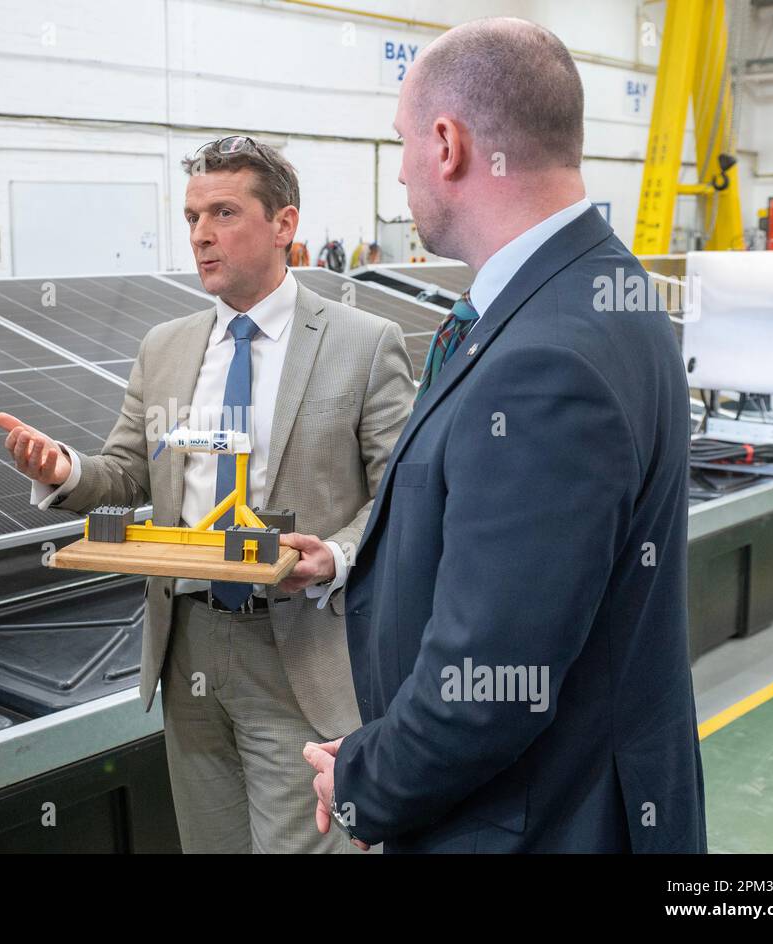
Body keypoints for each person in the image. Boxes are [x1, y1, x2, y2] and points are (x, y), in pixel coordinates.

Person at [304, 18, 707, 853]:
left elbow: (487, 687)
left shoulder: (544, 360)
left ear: (448, 144)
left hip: (533, 823)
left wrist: (364, 780)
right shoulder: (602, 294)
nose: (405, 170)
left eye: (403, 143)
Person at [0, 137, 413, 852]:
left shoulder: (363, 343)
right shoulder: (166, 346)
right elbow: (128, 473)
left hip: (303, 643)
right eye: (191, 216)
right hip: (188, 643)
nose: (200, 234)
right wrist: (62, 470)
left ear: (284, 224)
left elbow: (401, 496)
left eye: (223, 212)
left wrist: (336, 556)